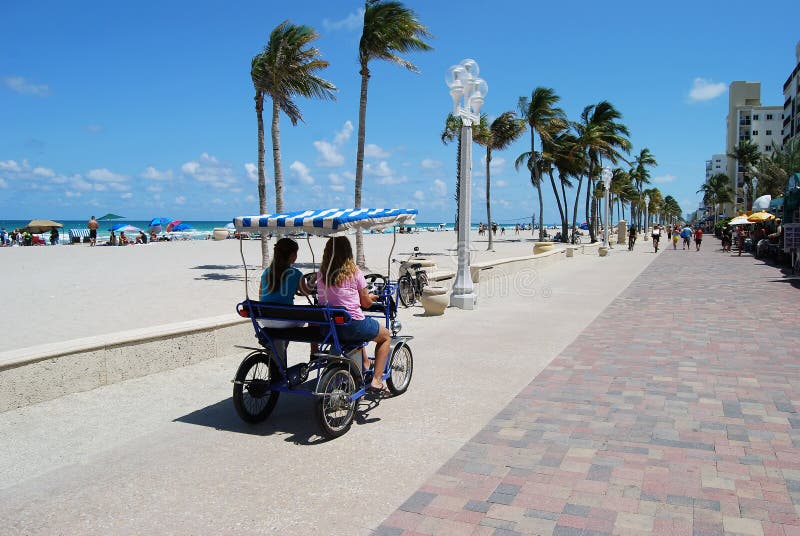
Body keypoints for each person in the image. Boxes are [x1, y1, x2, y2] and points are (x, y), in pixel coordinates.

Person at [316, 236, 390, 393]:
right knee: (385, 336)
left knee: (358, 332)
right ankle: (377, 379)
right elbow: (366, 303)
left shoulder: (321, 274)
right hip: (351, 325)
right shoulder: (355, 272)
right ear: (348, 252)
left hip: (328, 327)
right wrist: (372, 297)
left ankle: (365, 364)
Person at [258, 238, 313, 361]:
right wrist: (312, 281)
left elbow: (260, 296)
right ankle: (284, 353)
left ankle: (278, 355)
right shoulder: (295, 273)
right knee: (305, 319)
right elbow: (306, 292)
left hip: (265, 318)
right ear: (292, 255)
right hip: (284, 319)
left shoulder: (267, 272)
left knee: (282, 325)